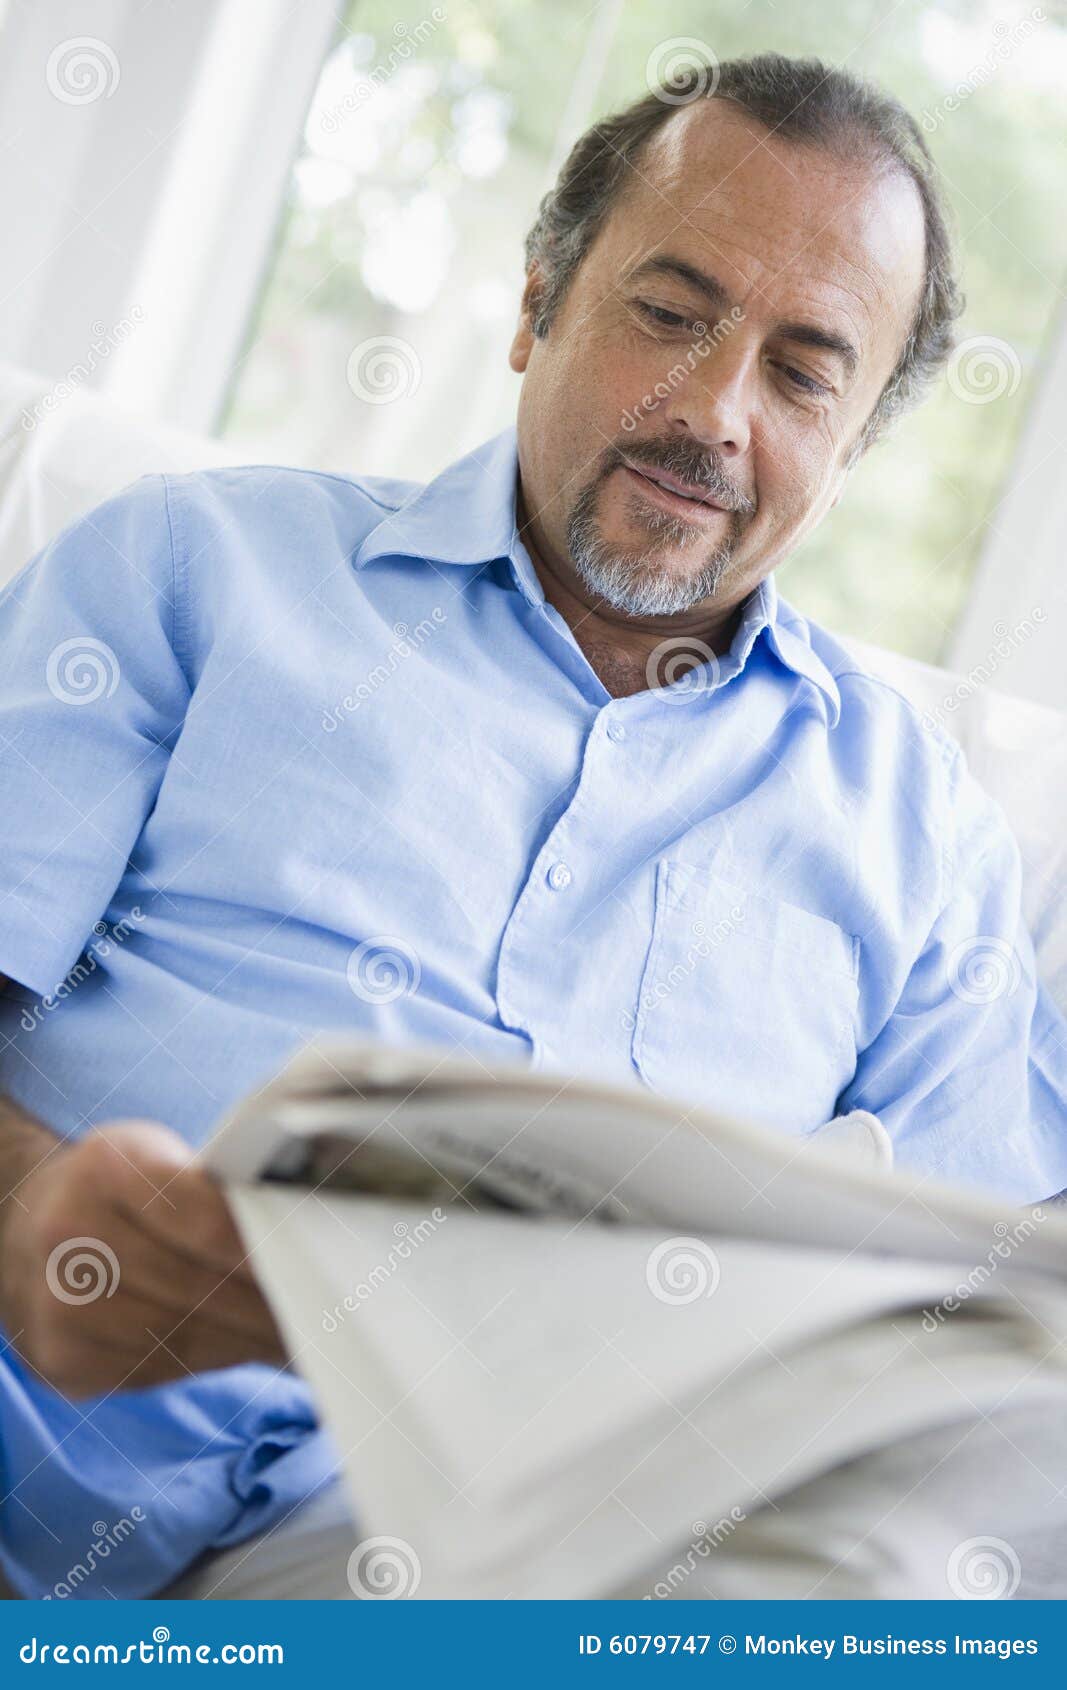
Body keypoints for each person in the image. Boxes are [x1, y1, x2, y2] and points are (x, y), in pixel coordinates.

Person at [1, 52, 1064, 1601]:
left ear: (856, 444)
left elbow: (992, 1324)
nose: (713, 409)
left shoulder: (922, 844)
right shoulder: (191, 568)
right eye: (668, 307)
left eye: (801, 370)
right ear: (537, 303)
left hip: (477, 1574)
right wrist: (27, 1201)